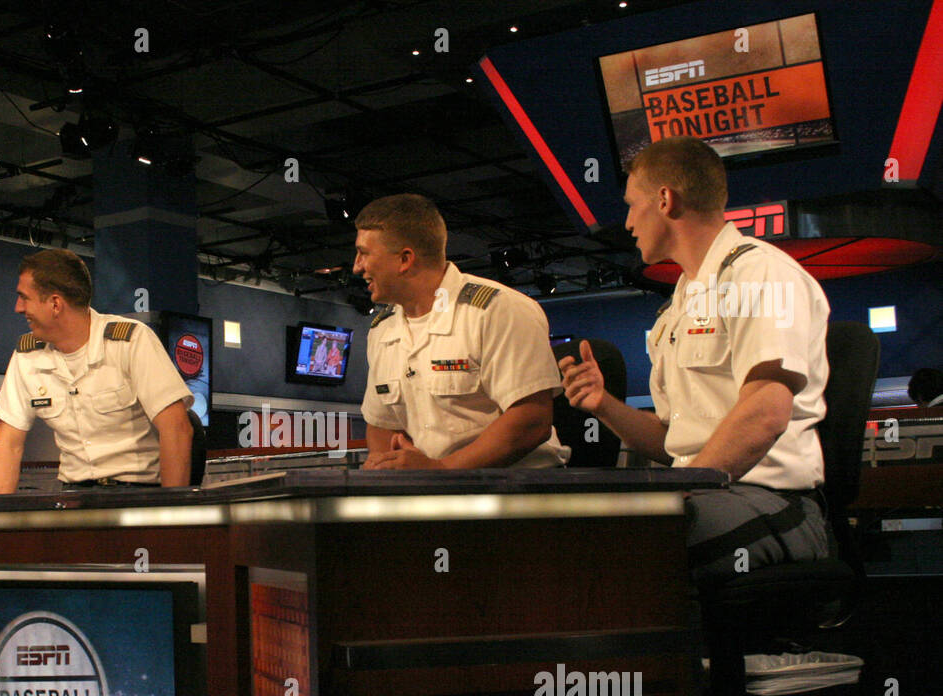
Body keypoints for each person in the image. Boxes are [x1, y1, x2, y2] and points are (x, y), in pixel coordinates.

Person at [559, 136, 831, 583]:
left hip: (777, 505)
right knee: (569, 538)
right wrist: (603, 404)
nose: (627, 222)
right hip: (707, 496)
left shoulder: (760, 274)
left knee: (618, 554)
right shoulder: (680, 304)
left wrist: (679, 494)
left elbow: (766, 411)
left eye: (631, 204)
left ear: (665, 200)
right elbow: (674, 443)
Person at [354, 194, 566, 469]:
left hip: (516, 493)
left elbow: (531, 420)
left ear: (405, 259)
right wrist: (386, 472)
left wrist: (441, 471)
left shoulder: (498, 310)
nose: (357, 266)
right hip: (432, 497)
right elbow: (382, 424)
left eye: (364, 253)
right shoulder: (382, 329)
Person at [0, 249, 195, 491]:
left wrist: (171, 518)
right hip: (74, 498)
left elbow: (177, 429)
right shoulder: (27, 355)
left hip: (138, 497)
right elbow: (8, 445)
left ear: (55, 304)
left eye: (24, 297)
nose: (18, 308)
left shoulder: (130, 341)